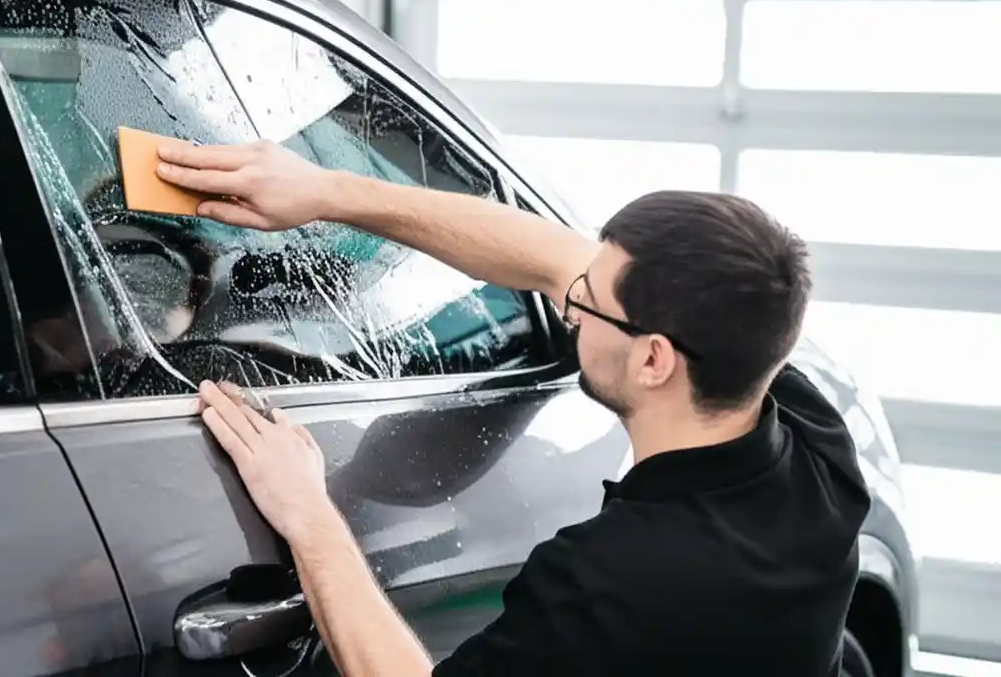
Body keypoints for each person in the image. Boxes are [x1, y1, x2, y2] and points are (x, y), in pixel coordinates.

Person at [155, 140, 872, 676]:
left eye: (588, 302)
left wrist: (308, 515)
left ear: (655, 360)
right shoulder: (817, 447)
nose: (567, 305)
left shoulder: (618, 579)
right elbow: (554, 257)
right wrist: (327, 193)